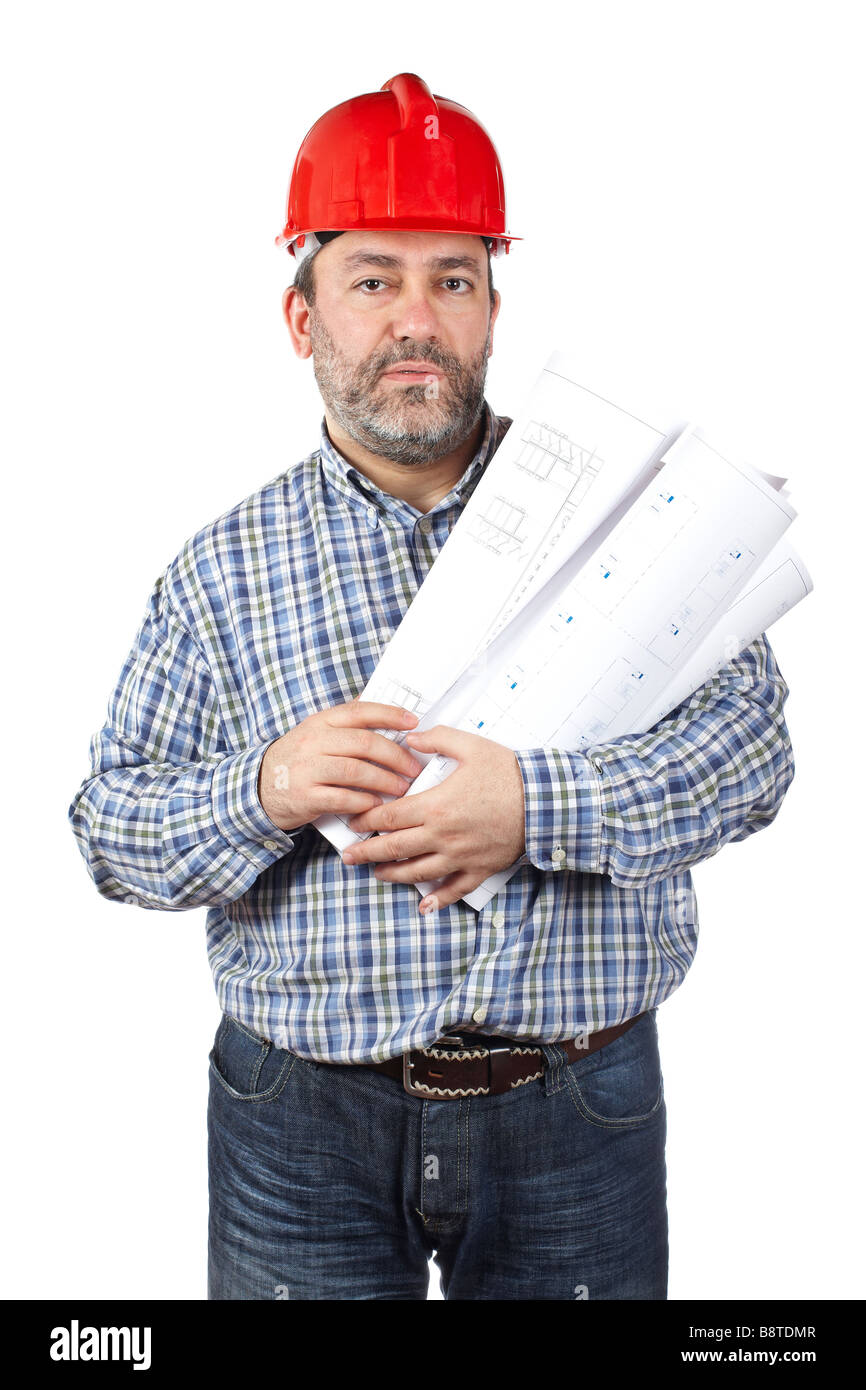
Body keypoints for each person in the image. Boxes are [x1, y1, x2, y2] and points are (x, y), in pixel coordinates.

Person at [68, 72, 796, 1301]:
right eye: (372, 281)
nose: (416, 318)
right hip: (298, 1122)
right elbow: (108, 833)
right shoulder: (220, 571)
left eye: (450, 280)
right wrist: (265, 787)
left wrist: (536, 807)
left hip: (579, 1104)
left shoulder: (633, 517)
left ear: (492, 309)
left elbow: (750, 755)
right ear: (303, 321)